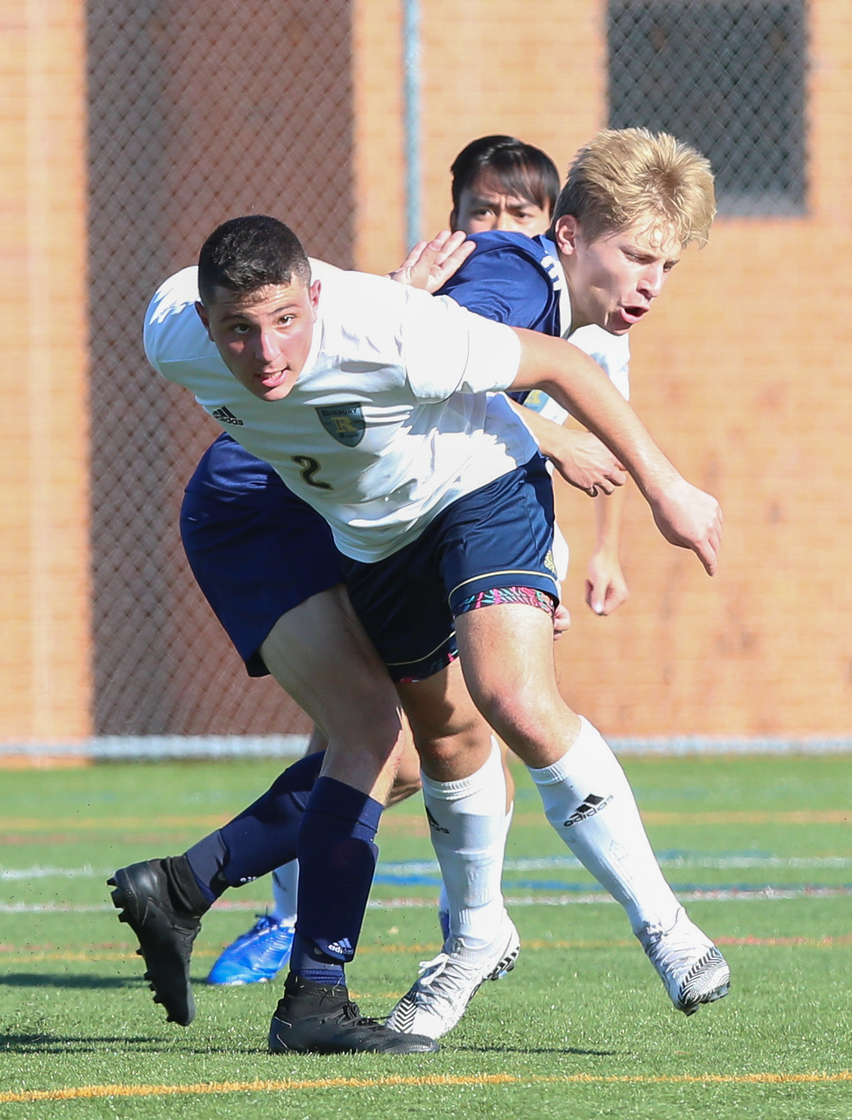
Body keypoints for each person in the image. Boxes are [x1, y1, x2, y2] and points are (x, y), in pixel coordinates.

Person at [111, 129, 730, 1056]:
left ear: (316, 299)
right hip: (366, 534)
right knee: (425, 741)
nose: (264, 351)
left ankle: (665, 928)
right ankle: (456, 937)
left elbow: (556, 368)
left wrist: (663, 490)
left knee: (507, 697)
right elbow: (524, 361)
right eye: (636, 255)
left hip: (478, 496)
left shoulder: (421, 321)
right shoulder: (176, 330)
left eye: (663, 264)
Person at [204, 134, 632, 989]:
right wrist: (403, 296)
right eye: (482, 211)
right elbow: (428, 390)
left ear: (560, 231)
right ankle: (283, 909)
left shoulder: (592, 321)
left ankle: (463, 917)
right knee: (364, 736)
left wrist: (602, 550)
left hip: (491, 526)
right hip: (390, 521)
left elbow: (599, 435)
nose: (500, 227)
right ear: (453, 220)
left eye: (520, 213)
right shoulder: (453, 294)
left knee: (466, 725)